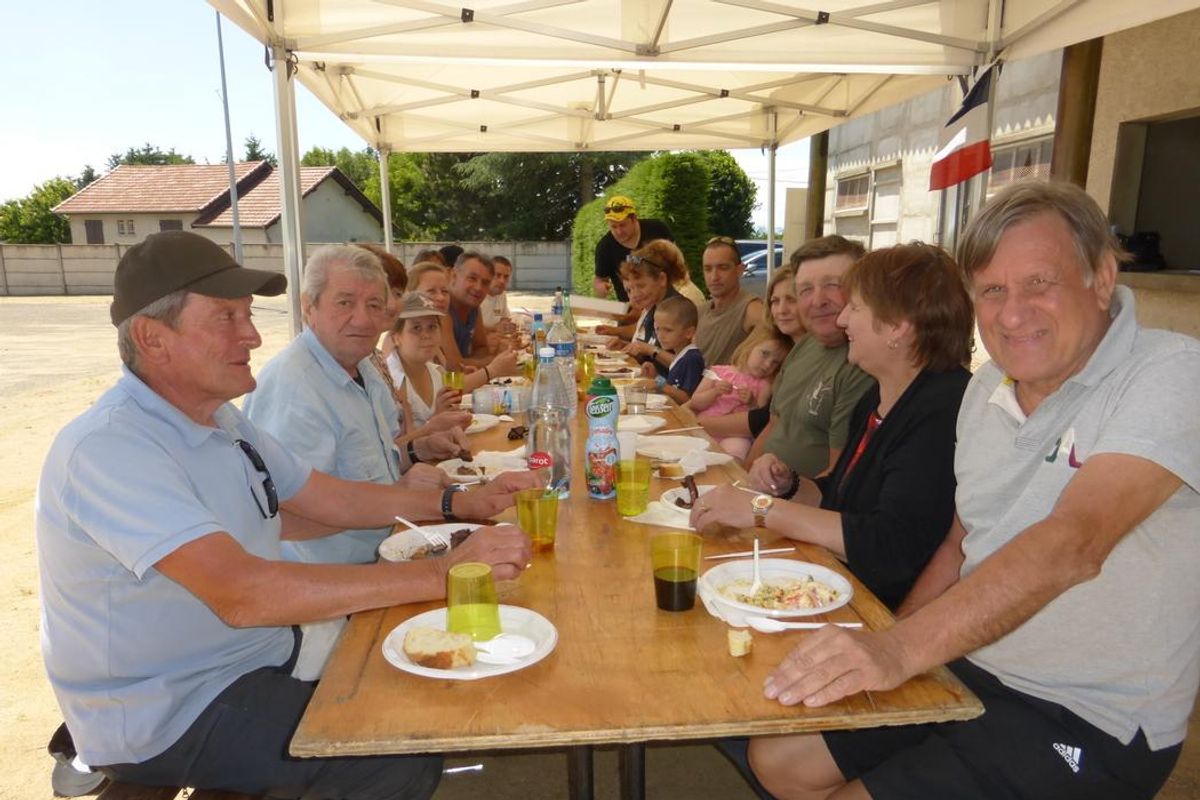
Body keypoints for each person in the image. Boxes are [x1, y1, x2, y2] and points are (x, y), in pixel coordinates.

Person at [36, 231, 541, 799]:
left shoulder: (219, 420)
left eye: (248, 315)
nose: (252, 335)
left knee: (417, 680)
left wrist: (459, 503)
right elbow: (243, 593)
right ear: (152, 338)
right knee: (394, 748)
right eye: (226, 317)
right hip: (170, 705)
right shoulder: (110, 447)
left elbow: (334, 498)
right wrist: (440, 573)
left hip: (256, 655)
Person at [747, 182, 1200, 800]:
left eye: (1039, 282)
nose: (1012, 314)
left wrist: (900, 650)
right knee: (778, 758)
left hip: (1085, 714)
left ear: (1101, 277)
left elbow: (1074, 543)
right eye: (992, 290)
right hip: (973, 657)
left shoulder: (1170, 373)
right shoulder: (986, 390)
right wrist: (888, 643)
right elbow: (961, 544)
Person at [691, 242, 973, 610]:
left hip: (879, 611)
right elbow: (840, 499)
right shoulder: (878, 397)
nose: (842, 320)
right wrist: (788, 484)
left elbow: (891, 545)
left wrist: (762, 509)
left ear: (897, 326)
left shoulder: (944, 410)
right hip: (836, 585)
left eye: (855, 307)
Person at [746, 236, 875, 486]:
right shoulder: (806, 344)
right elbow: (774, 426)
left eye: (833, 285)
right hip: (762, 495)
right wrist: (740, 480)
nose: (818, 301)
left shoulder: (863, 365)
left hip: (794, 504)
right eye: (805, 290)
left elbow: (837, 480)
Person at [696, 266, 803, 446]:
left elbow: (766, 419)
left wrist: (696, 423)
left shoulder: (777, 372)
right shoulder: (774, 338)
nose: (782, 310)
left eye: (791, 299)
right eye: (775, 301)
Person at [688, 327, 792, 458]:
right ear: (750, 347)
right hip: (704, 425)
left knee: (735, 452)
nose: (767, 365)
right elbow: (695, 402)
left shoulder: (764, 386)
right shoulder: (718, 372)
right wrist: (714, 392)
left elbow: (759, 419)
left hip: (736, 436)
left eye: (775, 363)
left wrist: (752, 402)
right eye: (765, 354)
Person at [618, 239, 699, 377]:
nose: (635, 295)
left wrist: (651, 350)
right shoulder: (652, 308)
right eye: (630, 289)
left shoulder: (677, 310)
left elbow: (687, 365)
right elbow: (646, 352)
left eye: (641, 286)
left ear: (662, 279)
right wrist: (625, 346)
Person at [695, 236, 764, 366]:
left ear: (740, 270)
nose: (714, 277)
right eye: (708, 269)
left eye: (723, 268)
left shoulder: (752, 310)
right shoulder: (699, 312)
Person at [592, 194, 674, 302]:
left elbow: (676, 259)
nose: (619, 232)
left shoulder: (657, 229)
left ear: (634, 219)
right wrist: (600, 287)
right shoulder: (605, 247)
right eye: (614, 227)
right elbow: (599, 279)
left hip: (667, 300)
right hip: (634, 306)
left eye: (623, 225)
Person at [638, 294, 705, 404]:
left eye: (668, 330)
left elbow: (688, 399)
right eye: (657, 329)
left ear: (689, 332)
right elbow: (674, 387)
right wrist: (656, 377)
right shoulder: (682, 356)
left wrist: (658, 384)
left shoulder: (692, 359)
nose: (660, 336)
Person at [480, 254, 513, 327]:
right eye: (498, 275)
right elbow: (470, 330)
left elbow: (505, 317)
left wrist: (506, 324)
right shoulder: (476, 296)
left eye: (506, 277)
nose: (502, 281)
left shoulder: (502, 294)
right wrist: (494, 328)